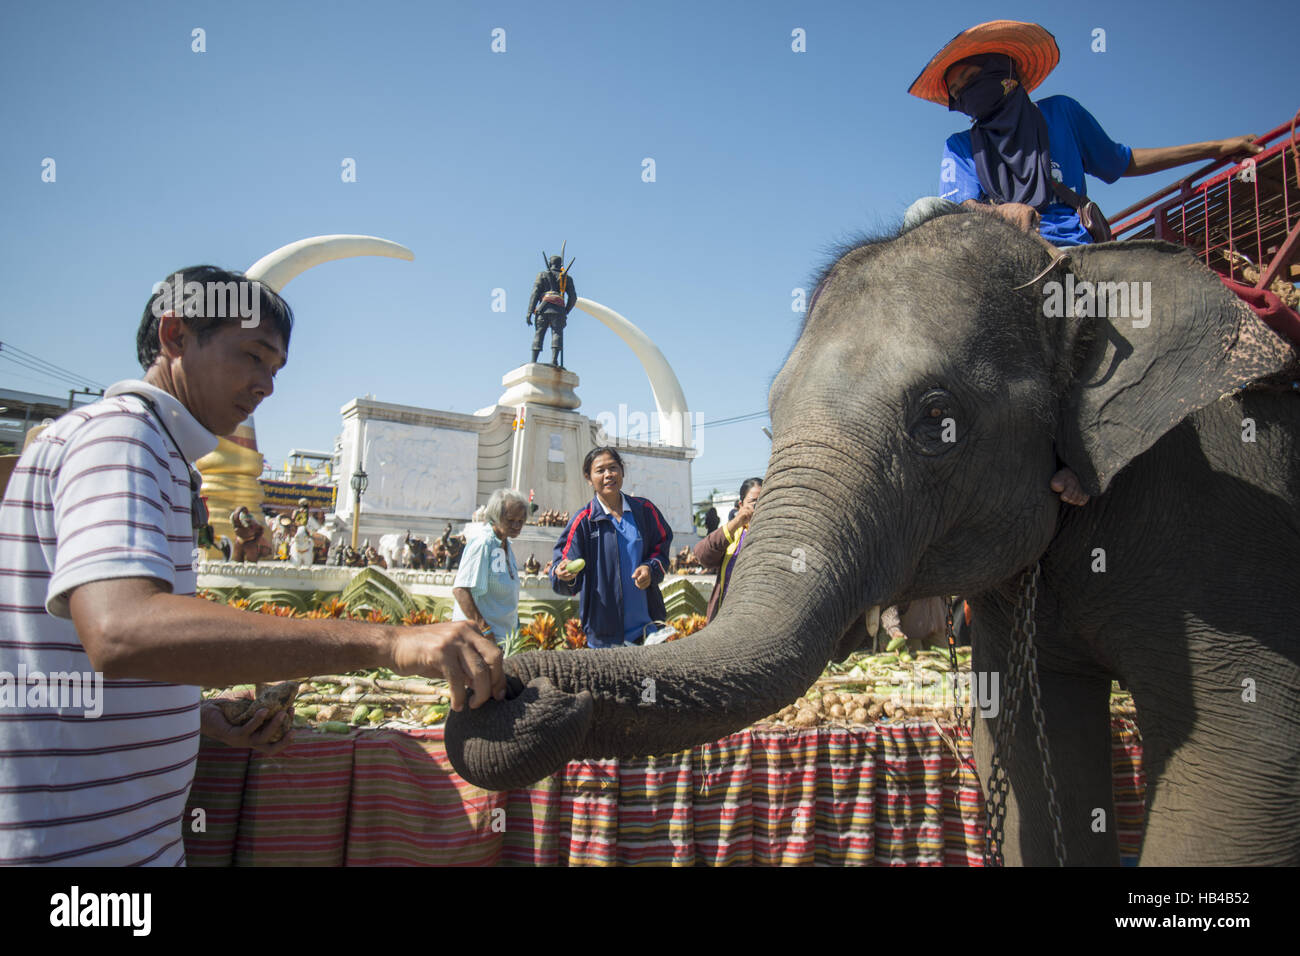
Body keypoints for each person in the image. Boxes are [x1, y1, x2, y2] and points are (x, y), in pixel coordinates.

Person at [0, 264, 504, 867]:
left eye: (275, 368)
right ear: (176, 337)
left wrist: (196, 714)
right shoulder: (120, 437)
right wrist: (390, 641)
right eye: (252, 356)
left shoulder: (152, 447)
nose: (266, 385)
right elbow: (120, 628)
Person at [905, 20, 1262, 505]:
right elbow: (958, 206)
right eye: (956, 91)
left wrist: (1219, 148)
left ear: (1007, 75)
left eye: (971, 79)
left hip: (1074, 252)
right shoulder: (960, 147)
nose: (964, 93)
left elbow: (1122, 161)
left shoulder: (1062, 115)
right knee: (922, 213)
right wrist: (1002, 212)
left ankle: (1088, 458)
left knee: (1116, 328)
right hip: (1000, 256)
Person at [550, 447, 673, 647]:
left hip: (649, 631)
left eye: (613, 468)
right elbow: (562, 565)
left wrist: (650, 568)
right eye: (600, 470)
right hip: (604, 636)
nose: (608, 475)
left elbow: (662, 546)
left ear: (622, 471)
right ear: (589, 478)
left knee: (649, 680)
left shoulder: (644, 510)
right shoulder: (583, 521)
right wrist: (564, 574)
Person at [451, 489, 528, 645]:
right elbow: (461, 590)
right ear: (495, 516)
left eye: (520, 521)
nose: (516, 525)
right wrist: (485, 630)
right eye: (510, 520)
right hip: (479, 641)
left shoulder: (506, 543)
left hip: (503, 640)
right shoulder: (483, 543)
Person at [694, 477, 761, 622]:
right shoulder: (733, 534)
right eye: (753, 502)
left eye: (764, 502)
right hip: (726, 619)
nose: (758, 507)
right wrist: (736, 522)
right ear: (740, 505)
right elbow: (701, 555)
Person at [526, 253, 577, 367]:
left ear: (550, 263)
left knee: (539, 333)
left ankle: (533, 361)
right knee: (557, 333)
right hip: (559, 310)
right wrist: (566, 310)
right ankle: (554, 361)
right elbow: (573, 297)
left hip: (543, 308)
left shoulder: (542, 275)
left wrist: (530, 312)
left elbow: (535, 293)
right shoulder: (567, 278)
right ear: (560, 265)